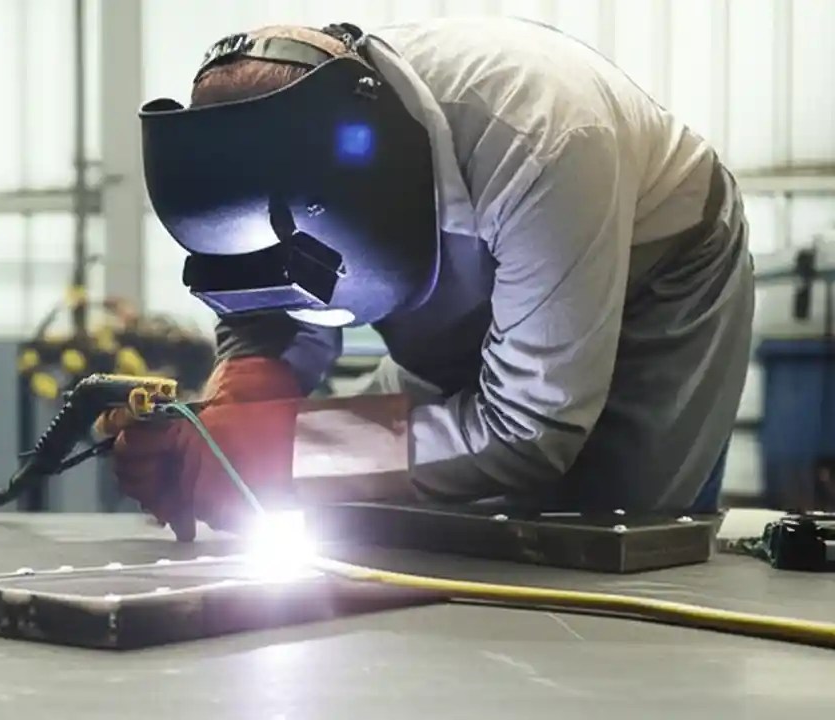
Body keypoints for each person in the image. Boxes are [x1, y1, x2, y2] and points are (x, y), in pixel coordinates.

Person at [100, 17, 754, 541]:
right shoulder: (275, 156)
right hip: (456, 283)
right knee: (383, 512)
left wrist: (292, 451)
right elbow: (268, 302)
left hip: (657, 277)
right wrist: (238, 401)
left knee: (601, 529)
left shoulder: (542, 133)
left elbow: (531, 428)